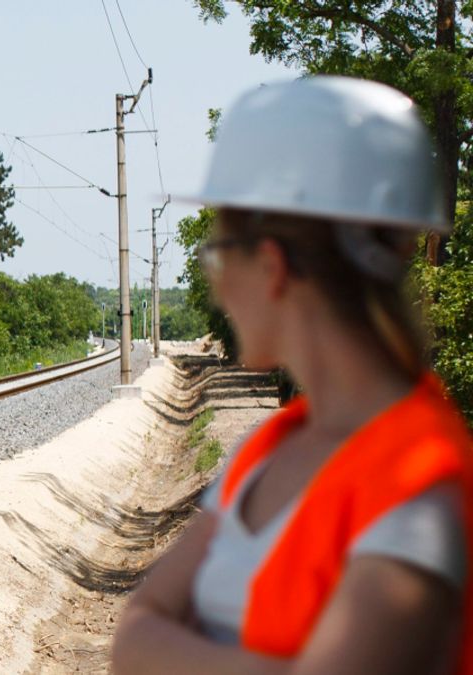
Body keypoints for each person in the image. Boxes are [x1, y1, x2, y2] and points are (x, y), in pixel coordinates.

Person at [112, 76, 473, 674]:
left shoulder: (419, 483)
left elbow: (149, 640)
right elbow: (131, 640)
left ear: (272, 267)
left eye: (218, 256)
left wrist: (177, 651)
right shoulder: (270, 449)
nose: (218, 289)